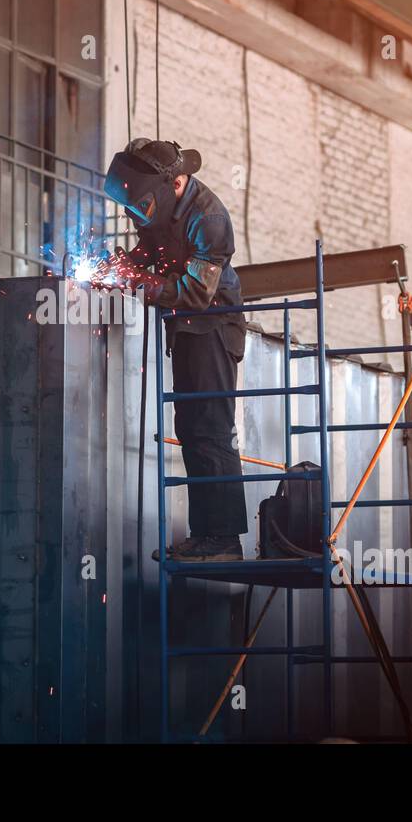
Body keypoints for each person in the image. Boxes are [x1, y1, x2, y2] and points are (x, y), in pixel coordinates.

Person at [98, 138, 248, 562]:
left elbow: (198, 293)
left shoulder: (210, 219)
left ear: (177, 183)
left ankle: (223, 541)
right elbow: (153, 249)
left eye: (141, 206)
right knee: (191, 431)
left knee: (211, 431)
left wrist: (139, 282)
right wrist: (124, 264)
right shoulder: (157, 205)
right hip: (187, 330)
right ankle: (208, 535)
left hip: (214, 328)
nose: (136, 215)